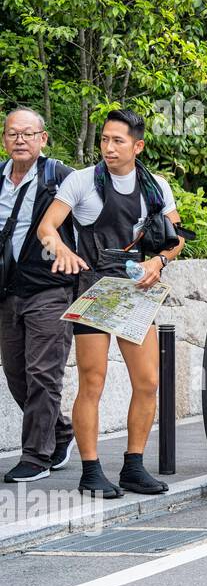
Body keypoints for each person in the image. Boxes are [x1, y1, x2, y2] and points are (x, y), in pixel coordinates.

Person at [35, 109, 185, 498]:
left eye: (118, 141)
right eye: (104, 139)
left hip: (136, 290)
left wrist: (160, 260)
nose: (108, 147)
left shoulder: (157, 187)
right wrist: (62, 251)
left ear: (138, 146)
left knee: (149, 382)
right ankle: (90, 470)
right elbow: (46, 228)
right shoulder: (84, 182)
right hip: (95, 289)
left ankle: (133, 466)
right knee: (93, 382)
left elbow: (177, 238)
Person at [0, 109, 77, 483]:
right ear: (4, 138)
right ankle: (60, 433)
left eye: (28, 134)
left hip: (50, 289)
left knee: (42, 374)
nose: (20, 140)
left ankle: (36, 456)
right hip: (7, 292)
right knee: (17, 374)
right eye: (13, 133)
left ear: (43, 139)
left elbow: (94, 218)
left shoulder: (59, 177)